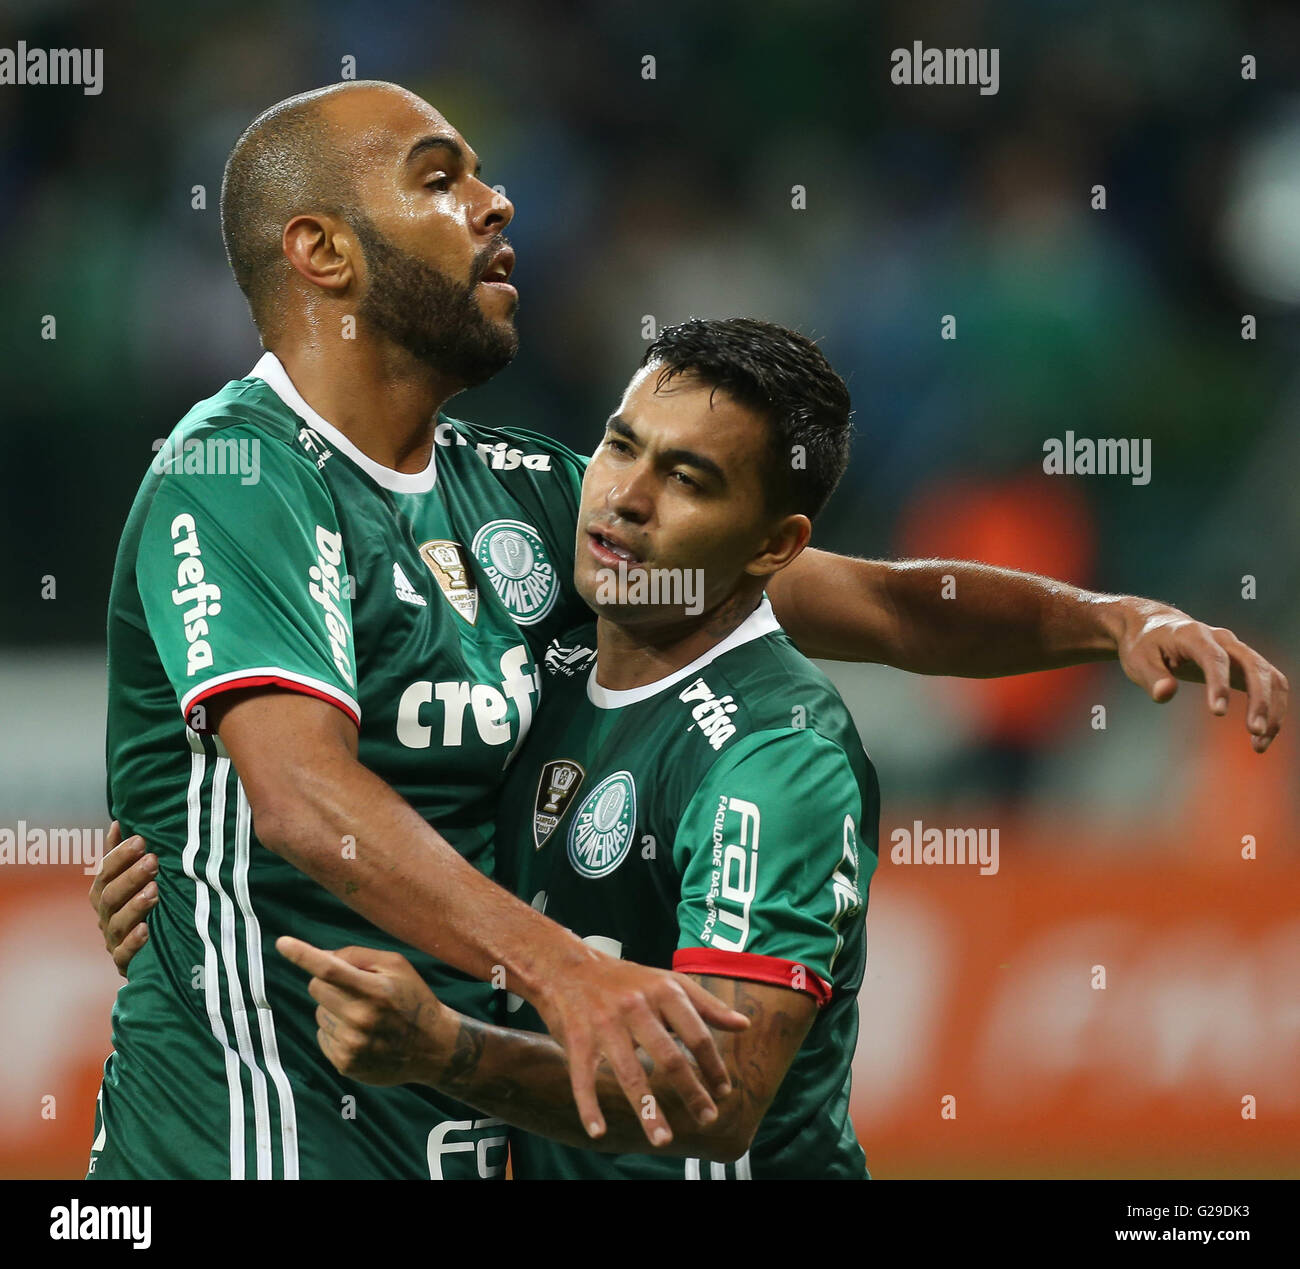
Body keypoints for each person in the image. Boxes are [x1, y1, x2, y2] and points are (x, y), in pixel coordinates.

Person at [90, 79, 1287, 1181]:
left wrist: (1105, 618)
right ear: (322, 252)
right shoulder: (241, 470)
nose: (496, 200)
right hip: (248, 1148)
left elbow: (870, 601)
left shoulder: (512, 489)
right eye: (439, 177)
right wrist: (568, 974)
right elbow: (302, 798)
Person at [282, 316, 877, 1178]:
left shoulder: (776, 757)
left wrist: (447, 1050)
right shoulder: (541, 674)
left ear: (774, 546)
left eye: (689, 480)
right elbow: (385, 822)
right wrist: (182, 871)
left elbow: (719, 1101)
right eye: (620, 445)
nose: (626, 497)